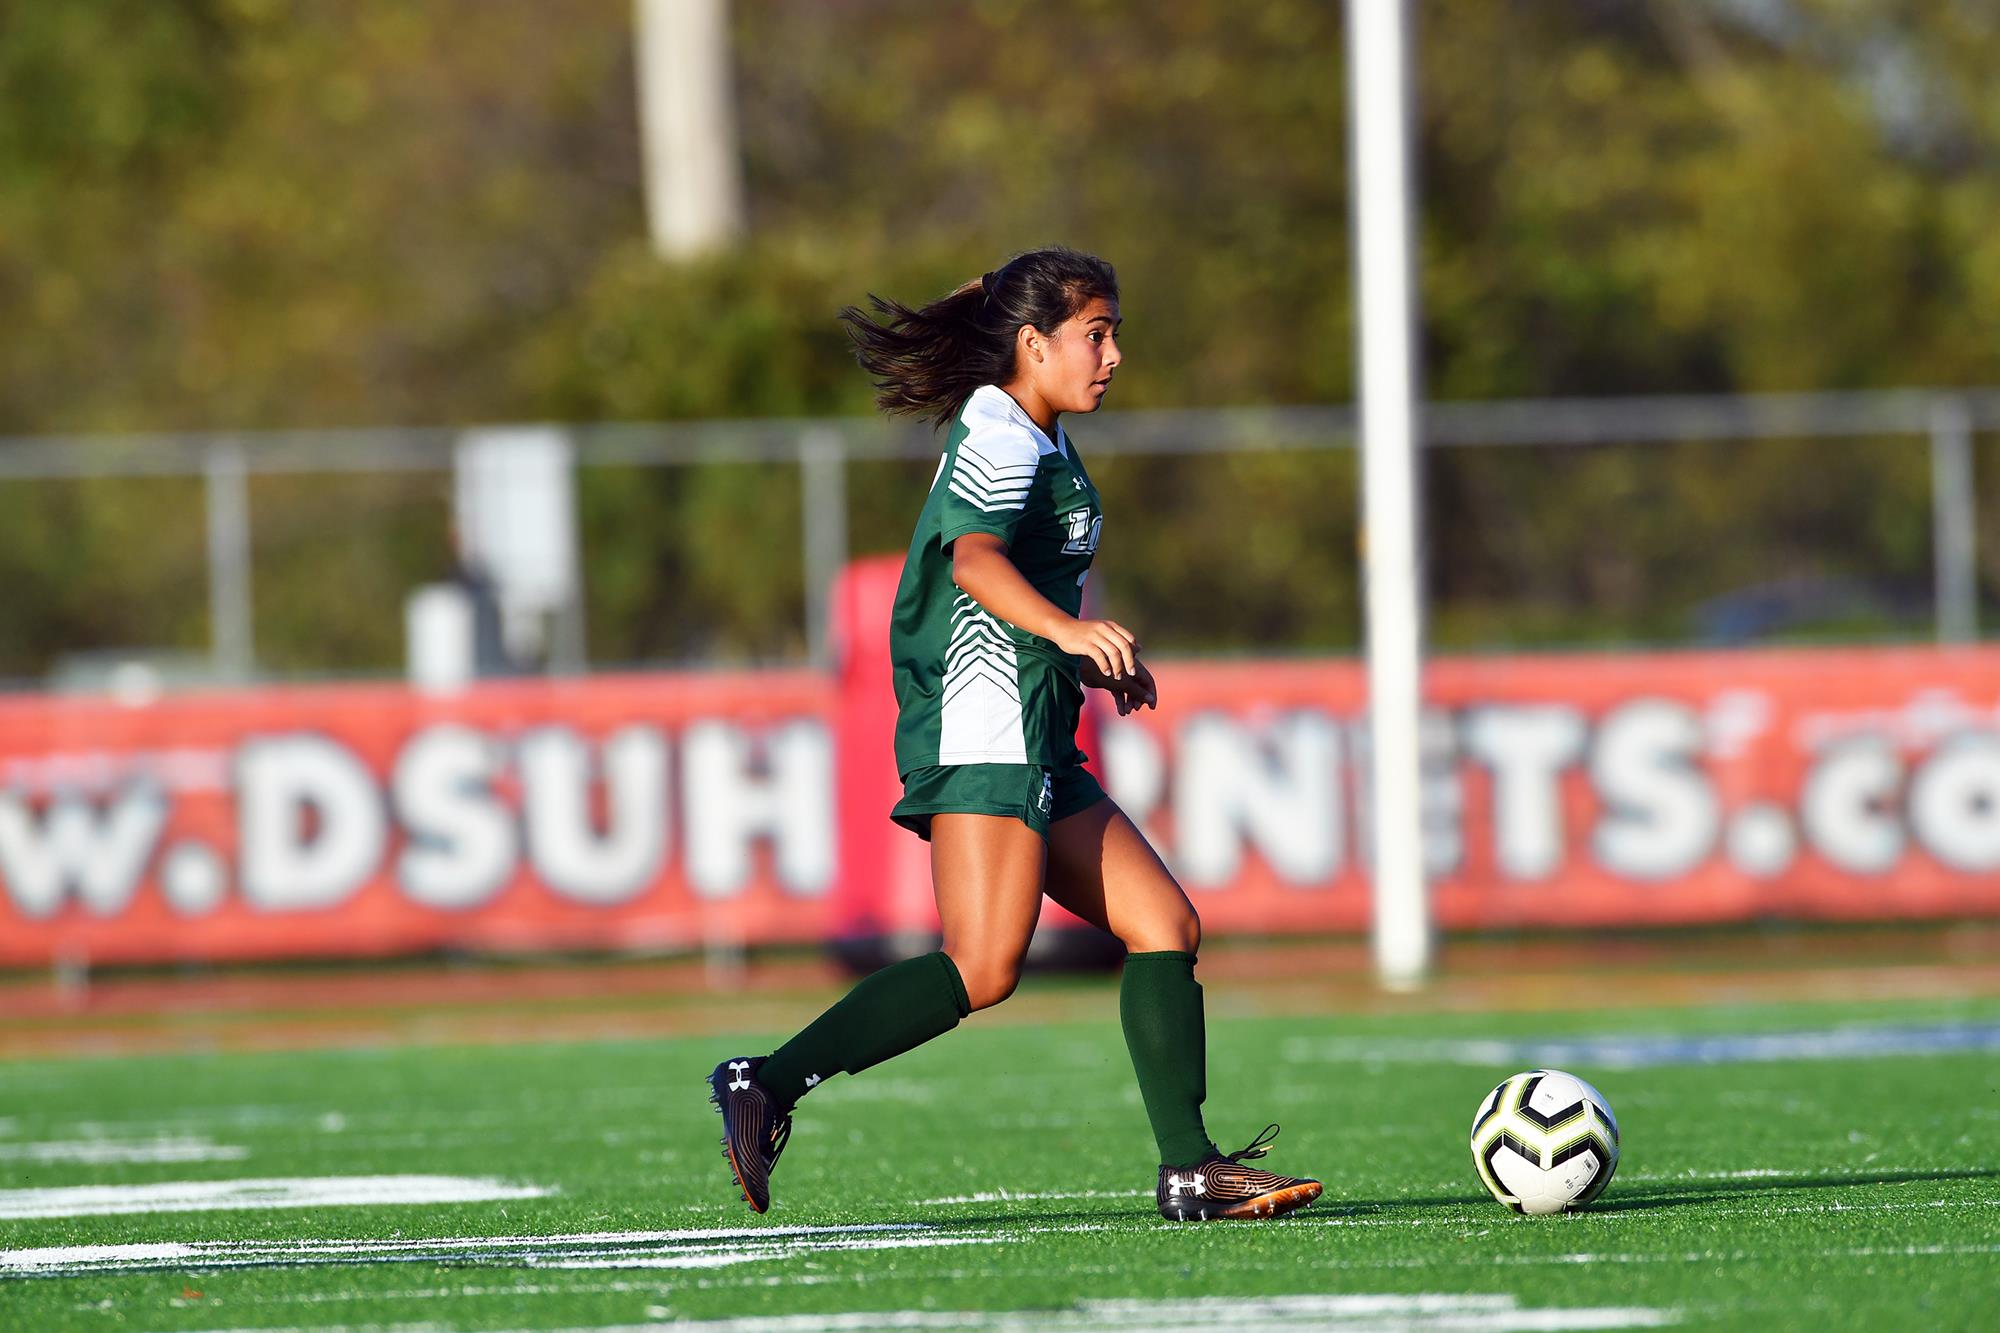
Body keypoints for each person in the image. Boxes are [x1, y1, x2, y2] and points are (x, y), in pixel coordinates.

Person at [708, 247, 1321, 1223]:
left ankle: (1190, 1167)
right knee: (984, 964)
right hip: (983, 720)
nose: (1113, 354)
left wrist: (1082, 658)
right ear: (1032, 345)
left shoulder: (1036, 428)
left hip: (1033, 719)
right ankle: (767, 1082)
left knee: (1162, 925)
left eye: (1113, 330)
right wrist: (1069, 629)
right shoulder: (1002, 433)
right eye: (1095, 333)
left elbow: (1010, 584)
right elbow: (974, 561)